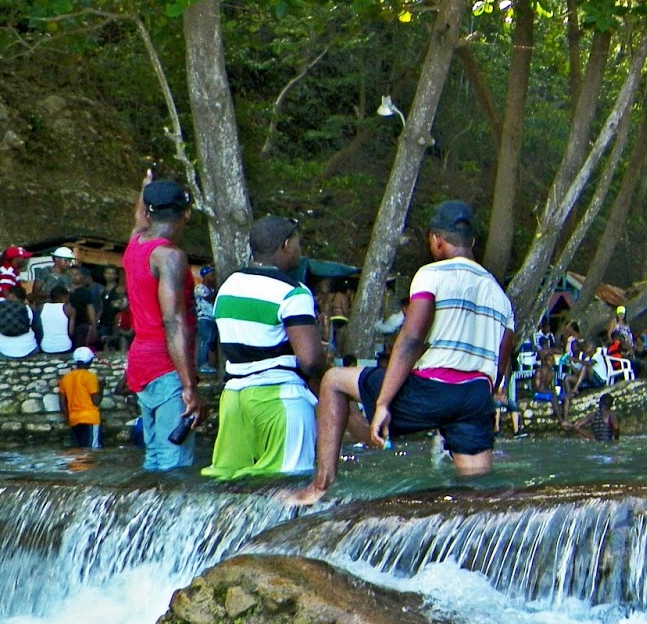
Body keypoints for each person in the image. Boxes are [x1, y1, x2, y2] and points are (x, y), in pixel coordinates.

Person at [286, 201, 516, 503]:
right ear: (472, 242)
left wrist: (383, 402)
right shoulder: (500, 295)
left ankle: (319, 487)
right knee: (479, 492)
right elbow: (503, 360)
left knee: (333, 381)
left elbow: (411, 338)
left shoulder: (432, 274)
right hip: (475, 396)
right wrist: (486, 395)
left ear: (436, 240)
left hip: (432, 389)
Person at [202, 217, 324, 480]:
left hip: (234, 399)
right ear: (286, 245)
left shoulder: (228, 286)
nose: (300, 250)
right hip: (279, 399)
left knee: (230, 485)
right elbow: (311, 361)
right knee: (289, 486)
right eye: (298, 243)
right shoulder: (294, 292)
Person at [123, 178, 205, 470]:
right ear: (186, 214)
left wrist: (145, 186)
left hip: (141, 363)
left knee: (154, 456)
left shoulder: (135, 244)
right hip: (165, 364)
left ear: (148, 211)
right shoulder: (169, 257)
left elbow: (138, 217)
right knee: (174, 462)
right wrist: (189, 387)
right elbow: (174, 322)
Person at [58, 346, 102, 448]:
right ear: (90, 361)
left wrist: (68, 418)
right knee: (91, 449)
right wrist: (102, 387)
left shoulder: (65, 378)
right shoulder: (90, 377)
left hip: (74, 419)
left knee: (80, 449)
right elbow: (96, 401)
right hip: (90, 418)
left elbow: (62, 403)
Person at [67, 266, 102, 350]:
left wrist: (93, 326)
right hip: (65, 326)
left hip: (82, 326)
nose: (74, 276)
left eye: (77, 274)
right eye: (71, 274)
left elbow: (90, 310)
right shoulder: (64, 291)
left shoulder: (86, 292)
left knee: (80, 349)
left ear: (82, 276)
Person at [193, 266, 218, 374]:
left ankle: (212, 364)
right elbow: (209, 298)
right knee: (205, 341)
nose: (213, 277)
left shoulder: (212, 289)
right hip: (204, 318)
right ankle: (202, 364)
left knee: (212, 343)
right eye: (211, 275)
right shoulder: (200, 288)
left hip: (212, 319)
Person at [38, 286, 72, 355]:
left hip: (46, 347)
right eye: (67, 297)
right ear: (62, 297)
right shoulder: (69, 309)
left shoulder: (41, 308)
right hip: (65, 346)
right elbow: (71, 332)